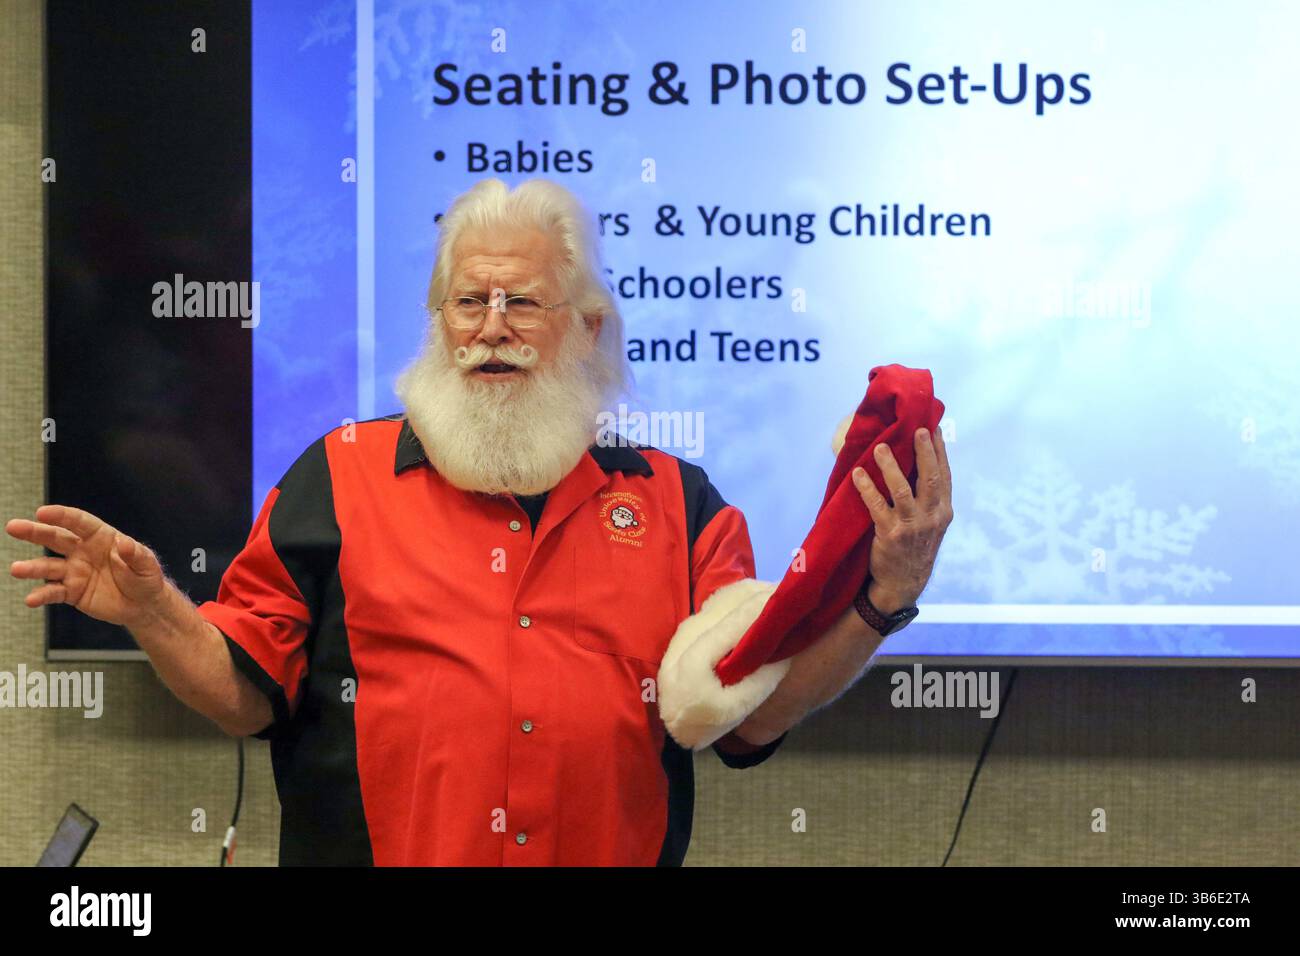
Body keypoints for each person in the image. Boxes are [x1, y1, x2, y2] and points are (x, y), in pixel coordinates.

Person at [6, 178, 953, 865]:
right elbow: (246, 692)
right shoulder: (337, 476)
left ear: (585, 329)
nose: (490, 326)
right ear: (438, 318)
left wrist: (881, 601)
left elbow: (750, 715)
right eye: (468, 300)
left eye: (523, 302)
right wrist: (154, 610)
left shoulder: (680, 503)